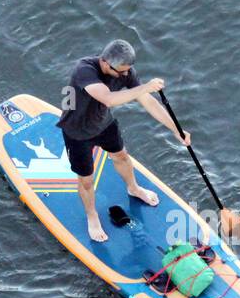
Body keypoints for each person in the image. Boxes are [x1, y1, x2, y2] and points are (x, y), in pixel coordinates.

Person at [57, 39, 190, 242]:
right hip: (77, 132)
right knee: (86, 180)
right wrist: (145, 87)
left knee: (122, 156)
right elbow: (109, 99)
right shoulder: (84, 70)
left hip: (104, 123)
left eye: (128, 71)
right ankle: (92, 216)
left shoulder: (125, 71)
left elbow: (148, 101)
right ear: (104, 62)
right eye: (121, 72)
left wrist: (175, 129)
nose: (125, 75)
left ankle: (133, 188)